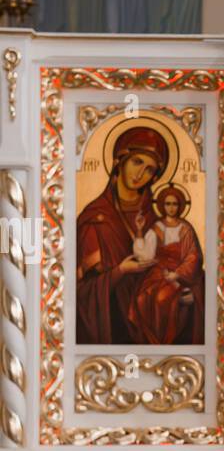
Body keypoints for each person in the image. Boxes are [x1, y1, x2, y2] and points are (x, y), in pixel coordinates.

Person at [76, 126, 168, 344]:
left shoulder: (157, 219)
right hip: (114, 320)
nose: (140, 175)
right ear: (121, 160)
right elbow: (80, 288)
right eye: (137, 162)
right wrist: (120, 271)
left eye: (149, 170)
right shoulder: (95, 218)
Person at [127, 184, 204, 345]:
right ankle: (152, 342)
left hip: (179, 273)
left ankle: (164, 341)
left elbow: (193, 256)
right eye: (168, 204)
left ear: (180, 206)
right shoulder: (157, 228)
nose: (171, 208)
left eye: (174, 204)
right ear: (162, 205)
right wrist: (140, 230)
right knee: (141, 299)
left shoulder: (185, 229)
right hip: (158, 271)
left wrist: (177, 274)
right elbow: (145, 254)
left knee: (162, 299)